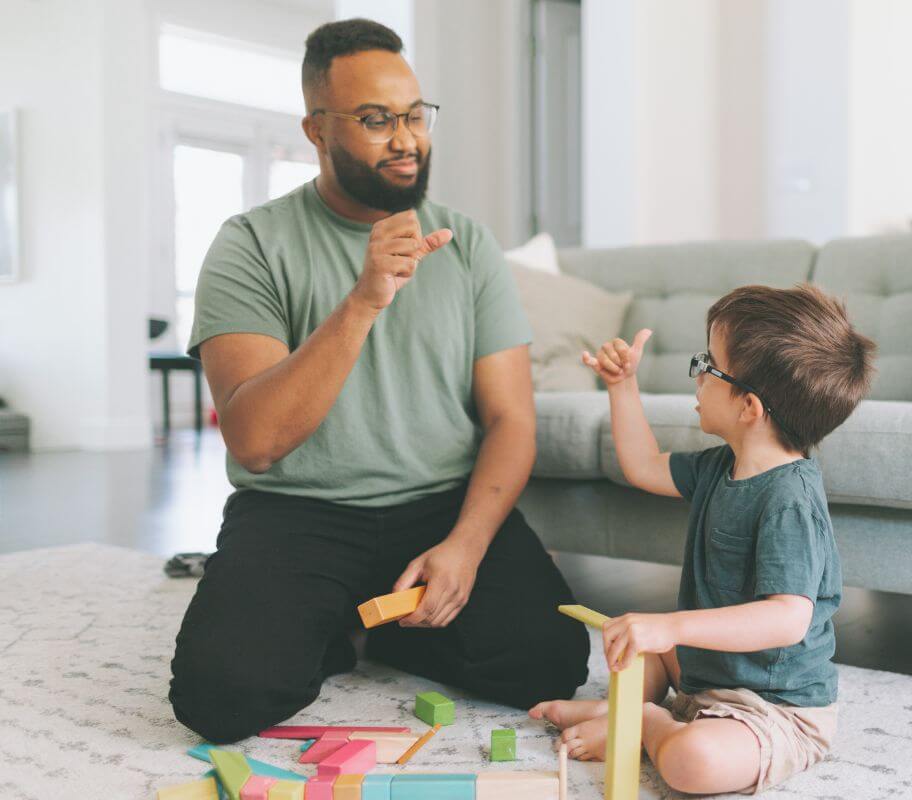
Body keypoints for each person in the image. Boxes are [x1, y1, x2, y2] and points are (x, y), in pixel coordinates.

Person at [168, 17, 589, 744]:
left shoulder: (469, 244)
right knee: (220, 697)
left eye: (414, 115)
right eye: (375, 120)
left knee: (549, 661)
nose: (406, 138)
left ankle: (372, 625)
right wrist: (363, 300)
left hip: (438, 508)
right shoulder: (250, 245)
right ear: (316, 130)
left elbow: (511, 419)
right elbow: (256, 441)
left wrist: (466, 545)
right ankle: (340, 620)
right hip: (299, 512)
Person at [530, 284, 876, 795]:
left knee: (693, 765)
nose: (697, 375)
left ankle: (643, 722)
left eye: (707, 365)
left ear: (749, 407)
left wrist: (670, 625)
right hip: (702, 673)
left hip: (773, 707)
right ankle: (631, 710)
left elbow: (787, 617)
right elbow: (644, 467)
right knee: (637, 649)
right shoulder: (722, 466)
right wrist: (622, 386)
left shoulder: (789, 499)